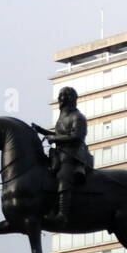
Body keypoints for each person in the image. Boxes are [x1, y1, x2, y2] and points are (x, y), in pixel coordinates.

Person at [31, 86, 93, 226]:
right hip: (59, 155)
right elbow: (59, 135)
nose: (60, 99)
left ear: (70, 99)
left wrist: (55, 139)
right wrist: (41, 130)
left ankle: (62, 214)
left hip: (73, 156)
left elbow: (76, 137)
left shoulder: (78, 117)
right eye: (60, 95)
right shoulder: (63, 117)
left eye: (63, 96)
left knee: (63, 176)